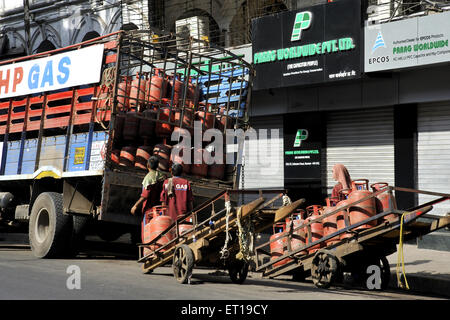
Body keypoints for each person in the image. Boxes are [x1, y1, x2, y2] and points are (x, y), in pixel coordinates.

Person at [131, 156, 167, 223]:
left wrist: (135, 206)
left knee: (147, 229)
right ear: (157, 165)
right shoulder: (163, 176)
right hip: (159, 208)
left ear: (147, 165)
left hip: (149, 209)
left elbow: (145, 195)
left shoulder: (148, 178)